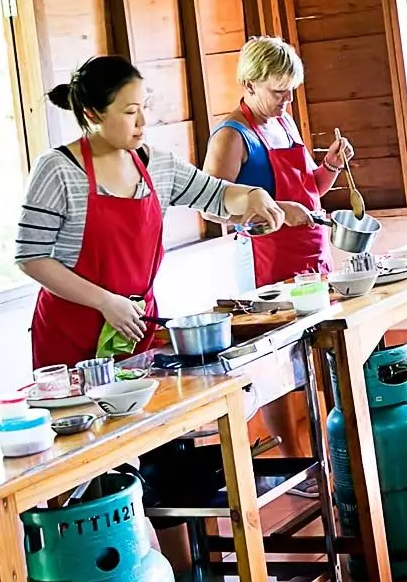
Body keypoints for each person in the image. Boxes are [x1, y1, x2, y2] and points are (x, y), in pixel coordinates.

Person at [16, 57, 308, 368]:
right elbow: (31, 258)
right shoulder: (57, 169)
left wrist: (252, 195)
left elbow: (217, 195)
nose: (143, 121)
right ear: (92, 113)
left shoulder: (158, 166)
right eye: (130, 112)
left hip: (136, 328)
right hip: (70, 337)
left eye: (145, 106)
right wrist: (105, 301)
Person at [201, 36, 352, 286]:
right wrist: (279, 210)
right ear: (250, 86)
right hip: (266, 260)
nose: (289, 99)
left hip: (312, 255)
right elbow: (208, 209)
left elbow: (311, 189)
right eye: (279, 91)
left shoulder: (285, 122)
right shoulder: (231, 136)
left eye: (292, 89)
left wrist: (332, 164)